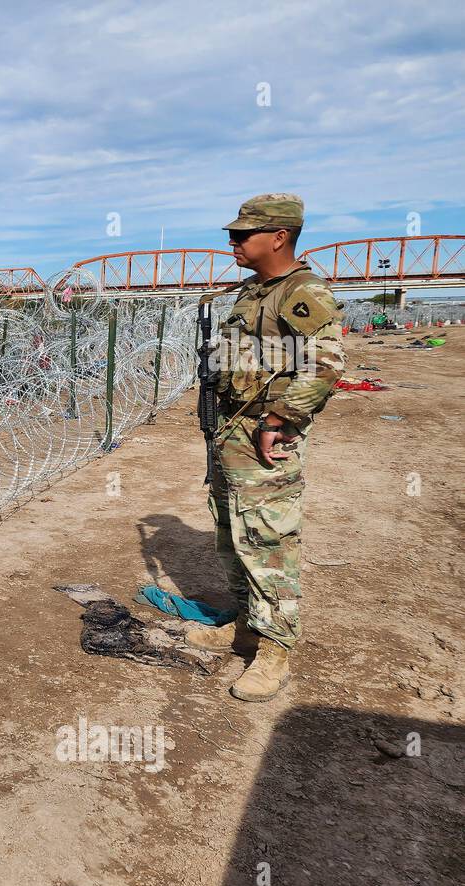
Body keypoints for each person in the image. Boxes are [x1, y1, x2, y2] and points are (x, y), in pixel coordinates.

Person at [186, 194, 345, 701]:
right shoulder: (251, 292)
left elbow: (325, 365)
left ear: (279, 237)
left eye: (241, 235)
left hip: (264, 434)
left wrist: (279, 419)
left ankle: (275, 649)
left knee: (268, 539)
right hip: (231, 428)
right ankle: (246, 627)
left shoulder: (301, 292)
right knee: (231, 532)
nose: (231, 243)